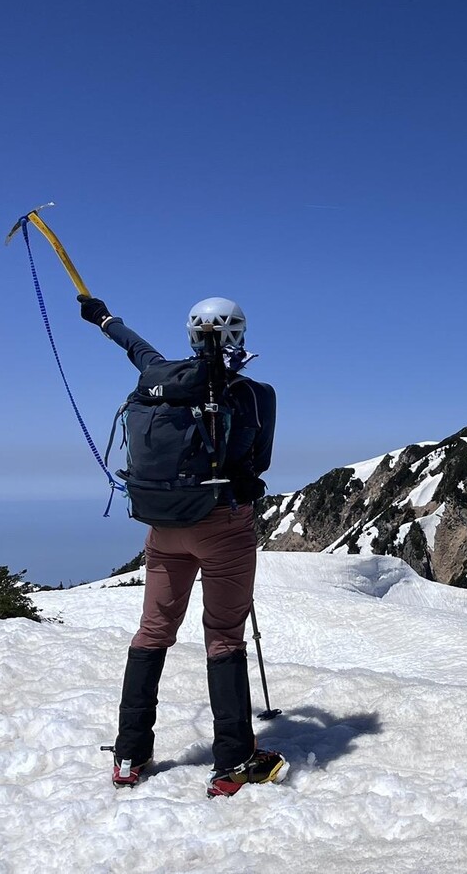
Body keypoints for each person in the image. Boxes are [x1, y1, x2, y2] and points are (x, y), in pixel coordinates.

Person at [79, 293, 285, 797]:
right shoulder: (256, 393)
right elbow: (259, 463)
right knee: (224, 638)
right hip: (223, 527)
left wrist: (103, 317)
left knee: (152, 632)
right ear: (238, 334)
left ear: (192, 335)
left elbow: (134, 346)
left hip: (162, 525)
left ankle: (130, 753)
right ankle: (233, 761)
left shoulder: (159, 376)